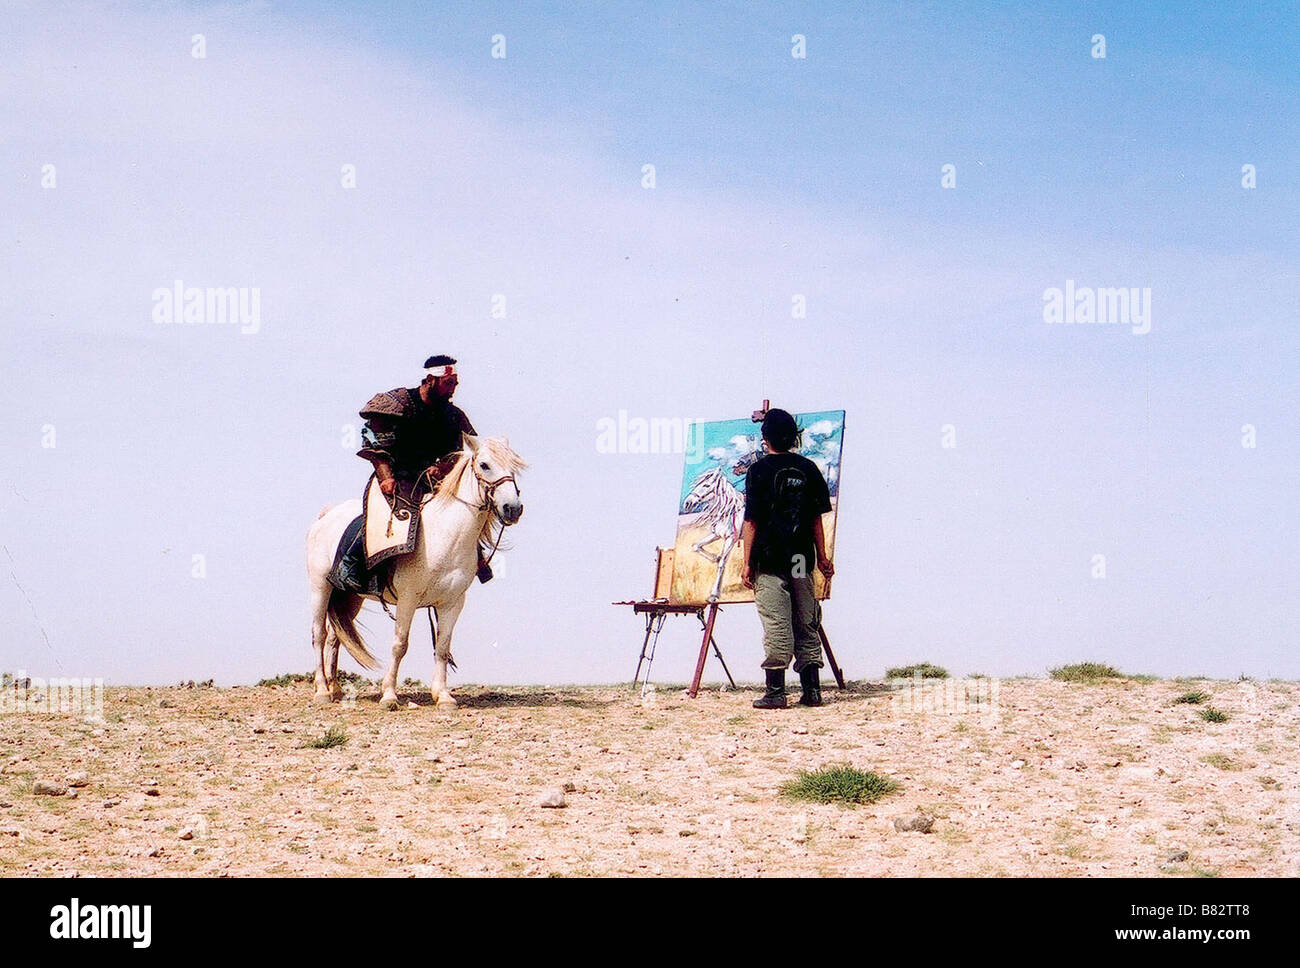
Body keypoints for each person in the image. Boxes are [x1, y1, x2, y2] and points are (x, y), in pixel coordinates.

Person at [334, 355, 493, 591]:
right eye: (449, 383)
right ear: (431, 380)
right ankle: (351, 562)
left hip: (436, 480)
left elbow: (458, 453)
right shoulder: (397, 403)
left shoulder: (453, 415)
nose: (454, 389)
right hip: (397, 477)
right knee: (385, 512)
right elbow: (375, 442)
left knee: (467, 509)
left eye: (455, 383)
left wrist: (441, 468)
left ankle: (477, 557)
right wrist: (386, 476)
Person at [739, 408, 834, 709]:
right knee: (806, 618)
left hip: (769, 558)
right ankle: (812, 690)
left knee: (776, 620)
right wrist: (823, 557)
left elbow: (751, 522)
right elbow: (816, 520)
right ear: (794, 436)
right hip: (800, 558)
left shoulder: (757, 471)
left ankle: (776, 692)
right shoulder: (809, 468)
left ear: (765, 439)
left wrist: (745, 563)